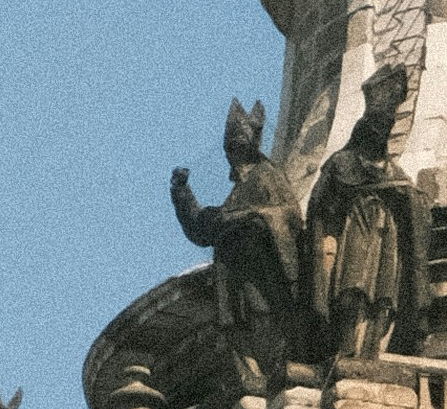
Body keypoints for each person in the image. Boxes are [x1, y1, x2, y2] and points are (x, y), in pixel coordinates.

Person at [171, 100, 309, 386]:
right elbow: (202, 229)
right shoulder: (238, 190)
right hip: (234, 275)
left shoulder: (267, 177)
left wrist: (249, 217)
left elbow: (287, 215)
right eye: (229, 150)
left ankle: (270, 368)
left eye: (238, 148)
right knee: (240, 325)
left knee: (262, 317)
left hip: (261, 273)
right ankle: (256, 372)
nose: (233, 157)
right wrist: (182, 193)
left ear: (251, 147)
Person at [304, 64, 432, 366]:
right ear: (363, 130)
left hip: (385, 240)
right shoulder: (341, 163)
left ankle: (371, 352)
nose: (380, 134)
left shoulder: (395, 174)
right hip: (356, 235)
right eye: (376, 128)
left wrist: (407, 199)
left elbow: (413, 203)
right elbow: (320, 207)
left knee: (385, 300)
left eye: (385, 129)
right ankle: (347, 350)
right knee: (352, 293)